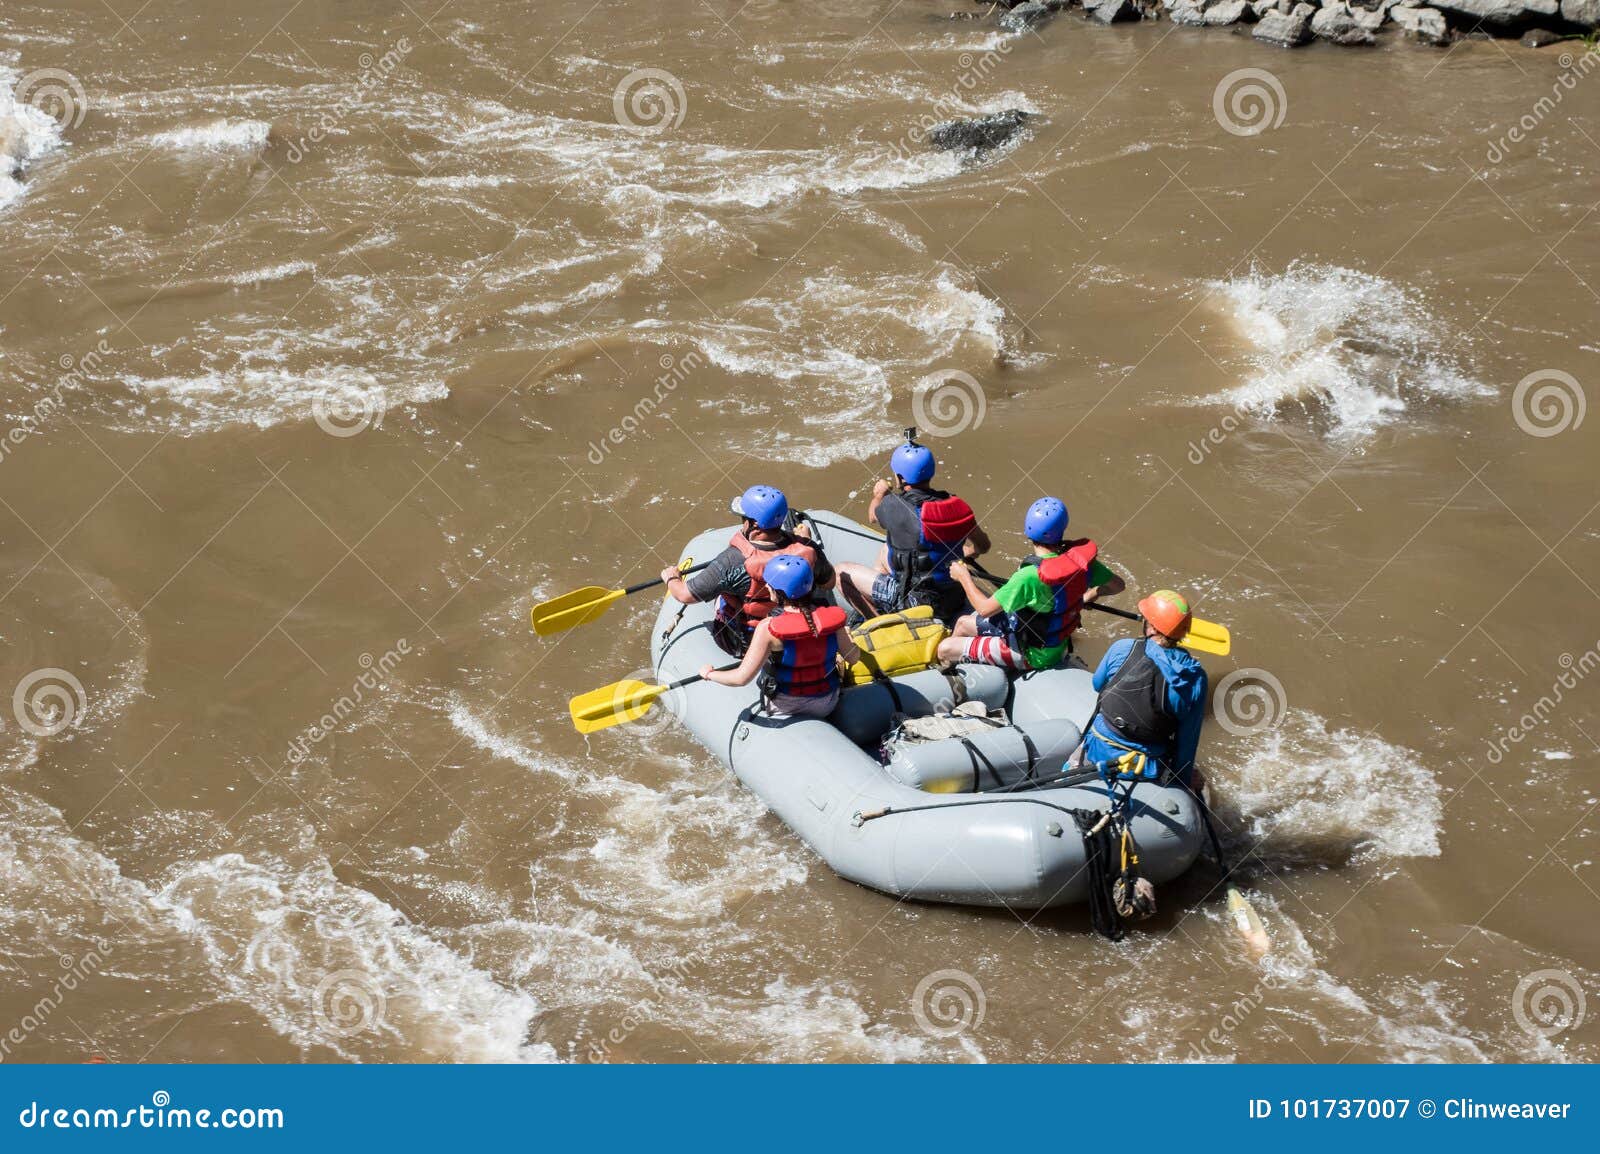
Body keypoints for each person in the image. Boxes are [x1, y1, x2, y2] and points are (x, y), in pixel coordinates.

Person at [935, 497, 1124, 672]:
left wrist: (963, 577)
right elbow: (1118, 585)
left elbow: (984, 609)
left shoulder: (1028, 576)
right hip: (1045, 637)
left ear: (1028, 530)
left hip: (1032, 653)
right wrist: (1092, 593)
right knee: (961, 623)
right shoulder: (1084, 564)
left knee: (944, 649)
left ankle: (953, 677)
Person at [662, 485, 836, 657]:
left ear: (754, 524)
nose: (742, 522)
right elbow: (829, 582)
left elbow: (684, 595)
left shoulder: (732, 560)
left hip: (750, 640)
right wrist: (807, 543)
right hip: (800, 629)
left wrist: (671, 578)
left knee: (720, 595)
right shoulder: (806, 548)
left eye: (743, 517)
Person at [836, 435, 990, 626]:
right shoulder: (957, 506)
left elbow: (872, 516)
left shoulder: (893, 505)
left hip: (913, 602)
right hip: (953, 598)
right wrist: (967, 552)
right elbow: (983, 546)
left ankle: (879, 623)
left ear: (900, 478)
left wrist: (879, 494)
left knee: (839, 572)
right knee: (887, 549)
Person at [700, 556, 859, 720]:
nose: (767, 586)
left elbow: (741, 679)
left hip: (785, 706)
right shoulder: (833, 621)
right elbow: (854, 657)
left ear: (779, 592)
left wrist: (710, 674)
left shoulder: (768, 629)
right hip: (826, 703)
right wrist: (847, 636)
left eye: (770, 584)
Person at [1082, 590, 1209, 791]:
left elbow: (1097, 684)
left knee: (1072, 759)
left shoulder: (1122, 648)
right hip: (1147, 767)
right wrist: (1182, 782)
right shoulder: (1194, 678)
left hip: (1099, 750)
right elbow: (1187, 741)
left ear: (1150, 627)